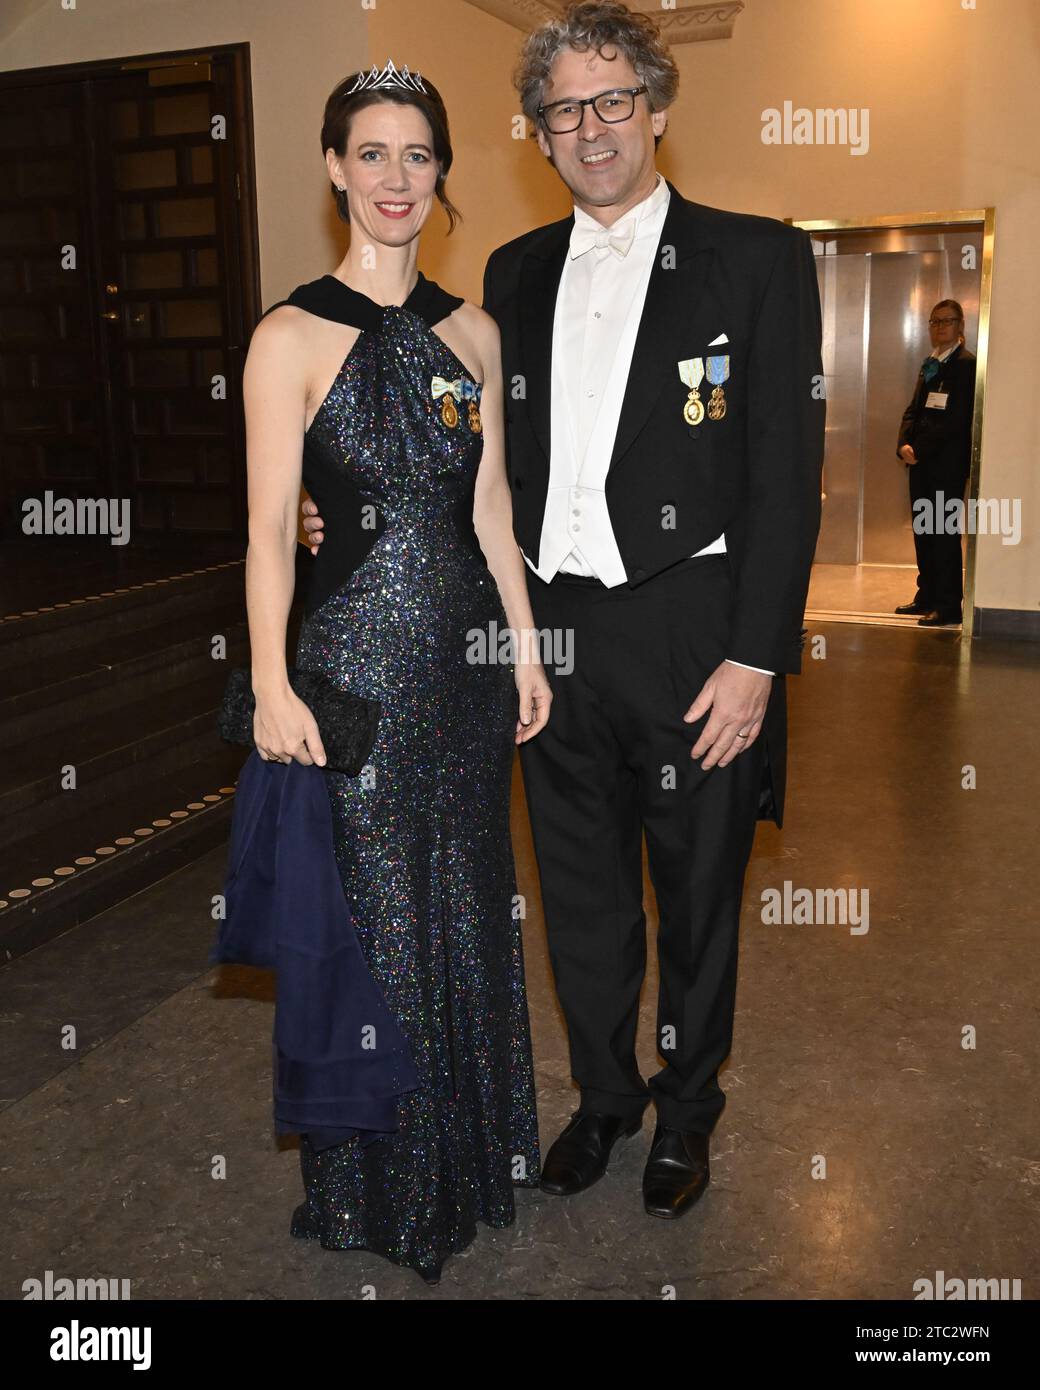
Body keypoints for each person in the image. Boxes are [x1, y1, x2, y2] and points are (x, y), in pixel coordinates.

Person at [305, 1, 824, 1222]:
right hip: (546, 638)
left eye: (612, 100)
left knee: (694, 896)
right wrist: (339, 513)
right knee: (580, 892)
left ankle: (685, 1110)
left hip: (693, 631)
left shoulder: (756, 258)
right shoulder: (512, 273)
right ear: (535, 134)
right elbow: (470, 468)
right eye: (562, 110)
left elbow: (783, 475)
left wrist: (756, 657)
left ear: (656, 107)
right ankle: (604, 1096)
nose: (590, 129)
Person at [243, 60, 550, 1284]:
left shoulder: (472, 331)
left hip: (464, 677)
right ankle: (382, 1188)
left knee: (466, 906)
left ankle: (466, 1164)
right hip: (354, 678)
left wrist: (523, 644)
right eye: (370, 152)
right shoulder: (288, 335)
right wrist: (270, 683)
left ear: (440, 174)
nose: (395, 177)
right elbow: (268, 530)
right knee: (374, 927)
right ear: (334, 167)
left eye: (416, 155)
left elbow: (492, 509)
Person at [895, 299, 977, 627]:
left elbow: (955, 419)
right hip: (920, 462)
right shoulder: (930, 362)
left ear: (960, 326)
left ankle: (948, 605)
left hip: (946, 465)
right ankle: (926, 595)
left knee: (943, 534)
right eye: (934, 321)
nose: (940, 327)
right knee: (923, 531)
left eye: (947, 321)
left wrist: (919, 448)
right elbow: (914, 409)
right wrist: (903, 443)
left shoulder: (966, 364)